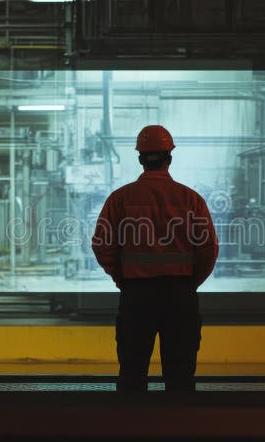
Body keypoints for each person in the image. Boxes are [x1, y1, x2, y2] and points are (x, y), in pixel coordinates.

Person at [92, 124, 219, 392]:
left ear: (140, 160)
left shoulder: (120, 199)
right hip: (180, 295)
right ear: (169, 158)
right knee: (181, 377)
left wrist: (121, 276)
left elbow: (101, 243)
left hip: (136, 295)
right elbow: (208, 247)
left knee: (132, 373)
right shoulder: (191, 199)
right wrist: (191, 282)